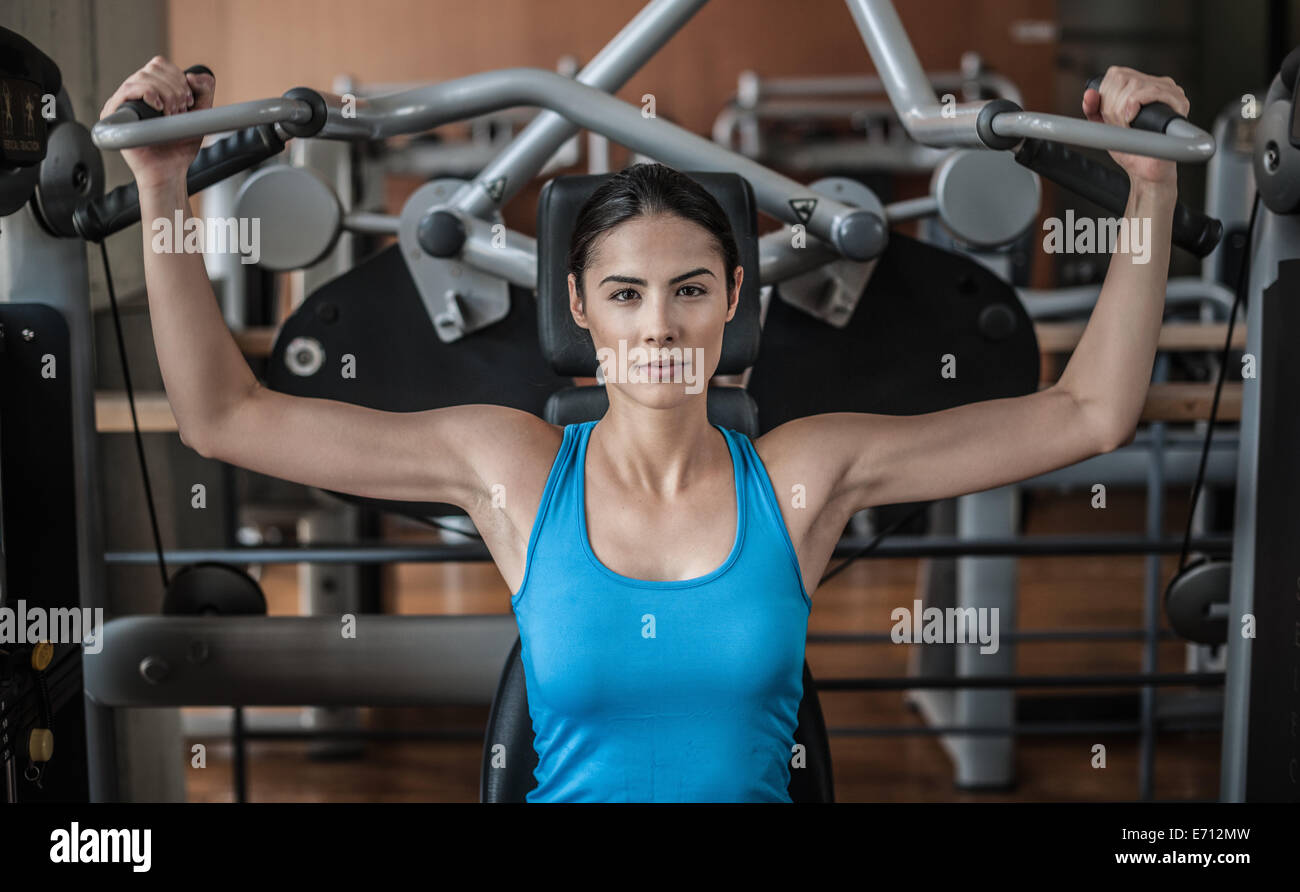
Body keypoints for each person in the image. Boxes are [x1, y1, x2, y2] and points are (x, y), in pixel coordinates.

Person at [103, 57, 1188, 802]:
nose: (658, 323)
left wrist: (1149, 193)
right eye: (623, 293)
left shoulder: (805, 477)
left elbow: (1088, 412)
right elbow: (222, 416)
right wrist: (162, 188)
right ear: (578, 308)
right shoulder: (512, 470)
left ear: (731, 300)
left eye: (689, 289)